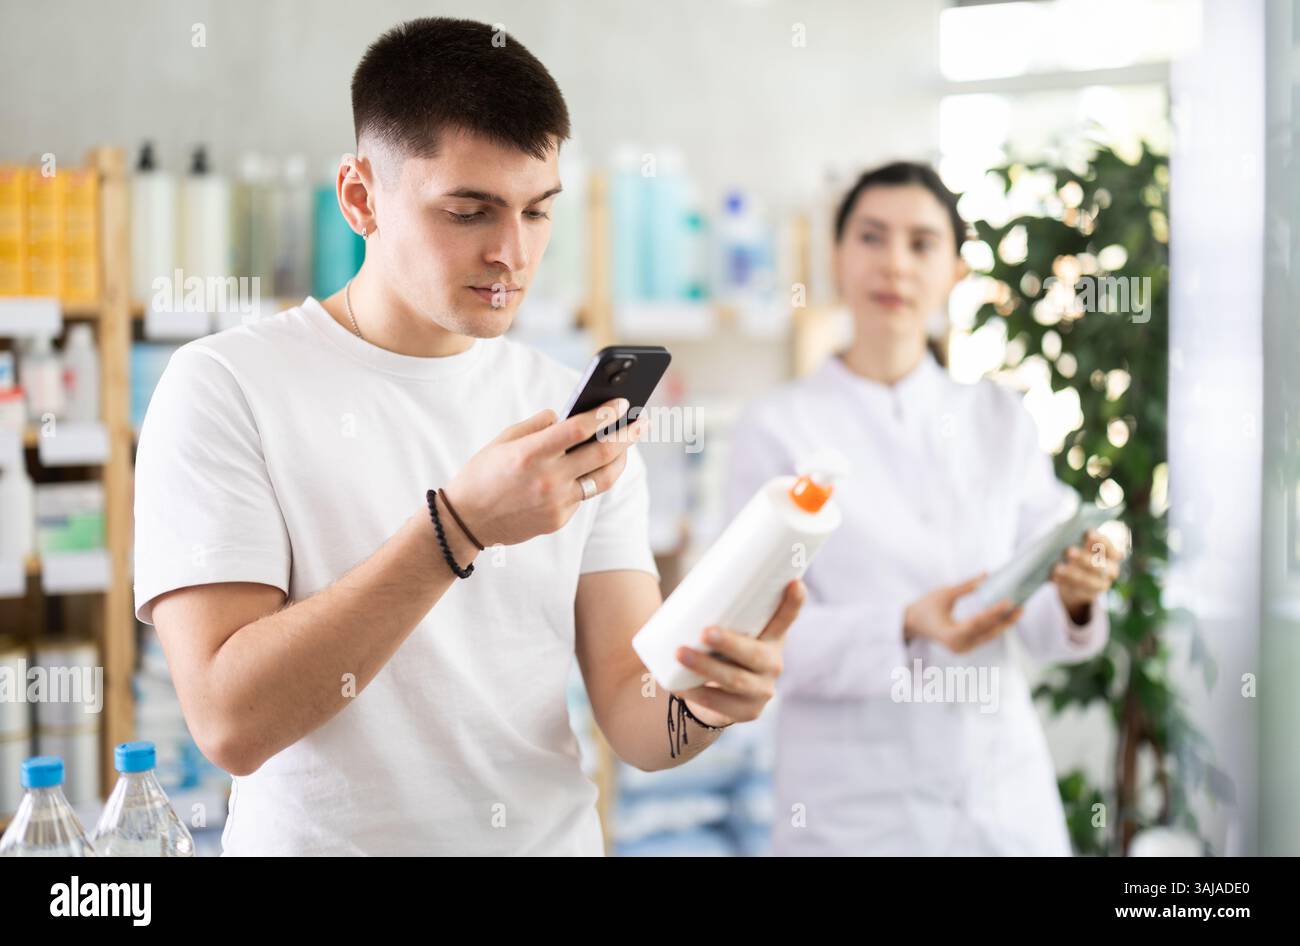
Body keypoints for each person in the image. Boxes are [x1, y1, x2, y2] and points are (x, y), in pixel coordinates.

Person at [133, 17, 804, 856]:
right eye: (468, 211)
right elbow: (230, 723)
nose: (512, 254)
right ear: (359, 198)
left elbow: (636, 723)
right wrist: (457, 528)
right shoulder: (226, 388)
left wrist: (705, 700)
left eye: (537, 211)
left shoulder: (569, 412)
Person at [727, 161, 1124, 856]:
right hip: (855, 812)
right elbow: (754, 634)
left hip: (1001, 800)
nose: (895, 266)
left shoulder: (1000, 418)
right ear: (837, 257)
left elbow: (1044, 622)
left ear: (954, 271)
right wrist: (906, 626)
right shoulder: (778, 428)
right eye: (872, 238)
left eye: (922, 244)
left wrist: (1079, 594)